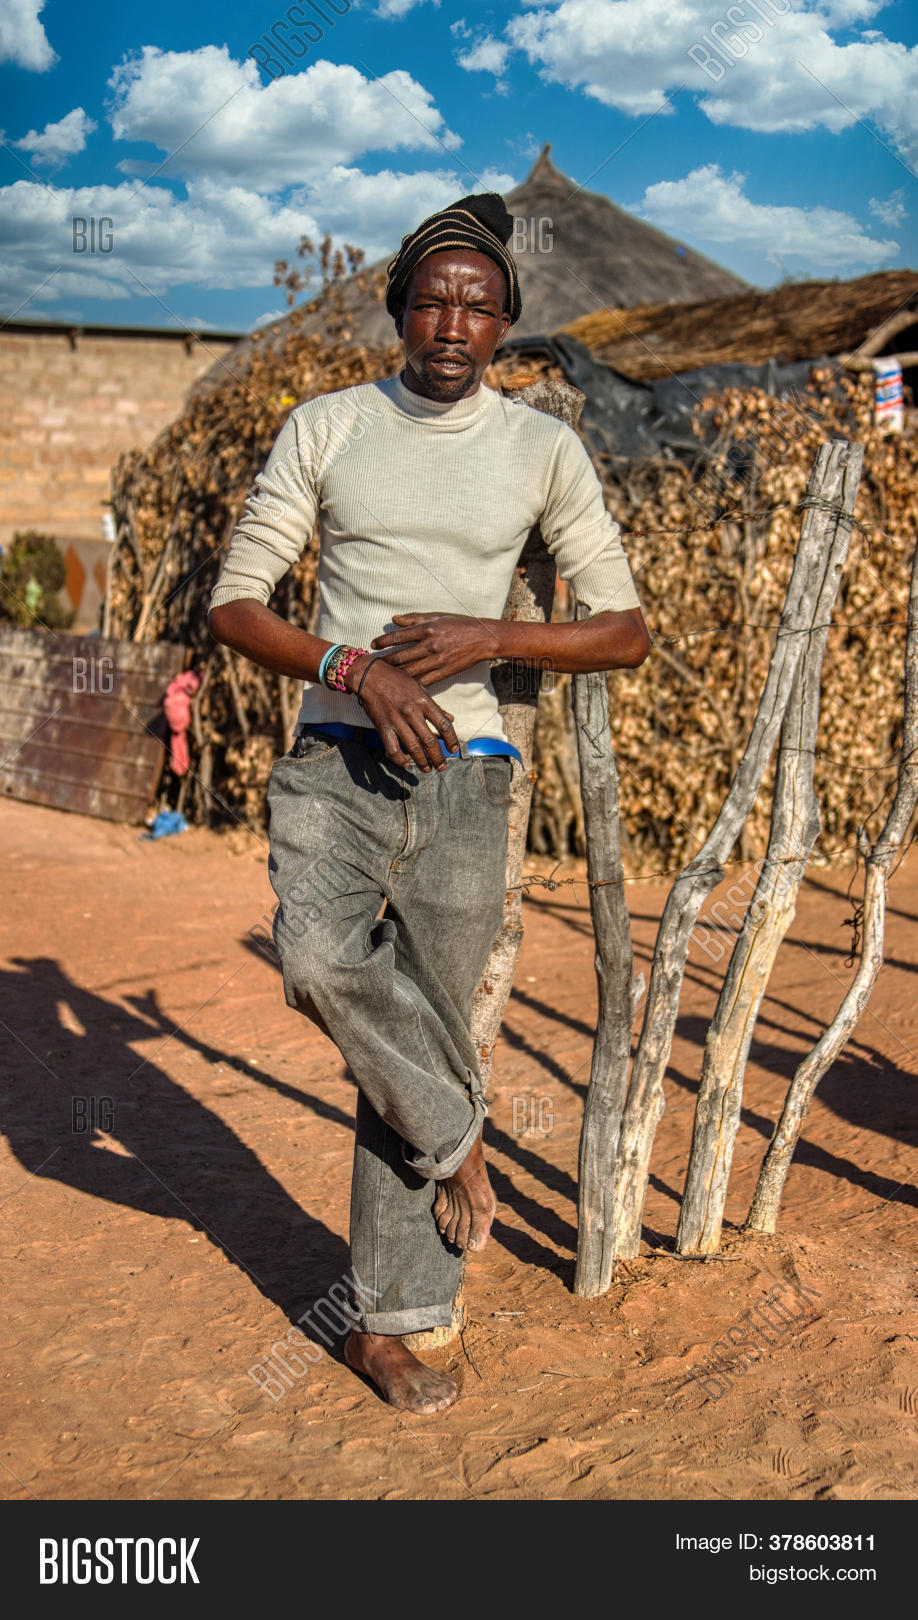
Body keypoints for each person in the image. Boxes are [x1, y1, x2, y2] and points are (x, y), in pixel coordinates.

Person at [208, 191, 650, 1415]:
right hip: (335, 762)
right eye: (433, 300)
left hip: (470, 775)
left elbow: (624, 632)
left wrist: (486, 636)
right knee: (316, 960)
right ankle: (458, 1139)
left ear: (505, 321)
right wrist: (358, 668)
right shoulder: (328, 426)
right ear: (399, 308)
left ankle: (393, 1321)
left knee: (420, 1033)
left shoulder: (543, 449)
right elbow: (236, 605)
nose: (453, 324)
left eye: (479, 305)